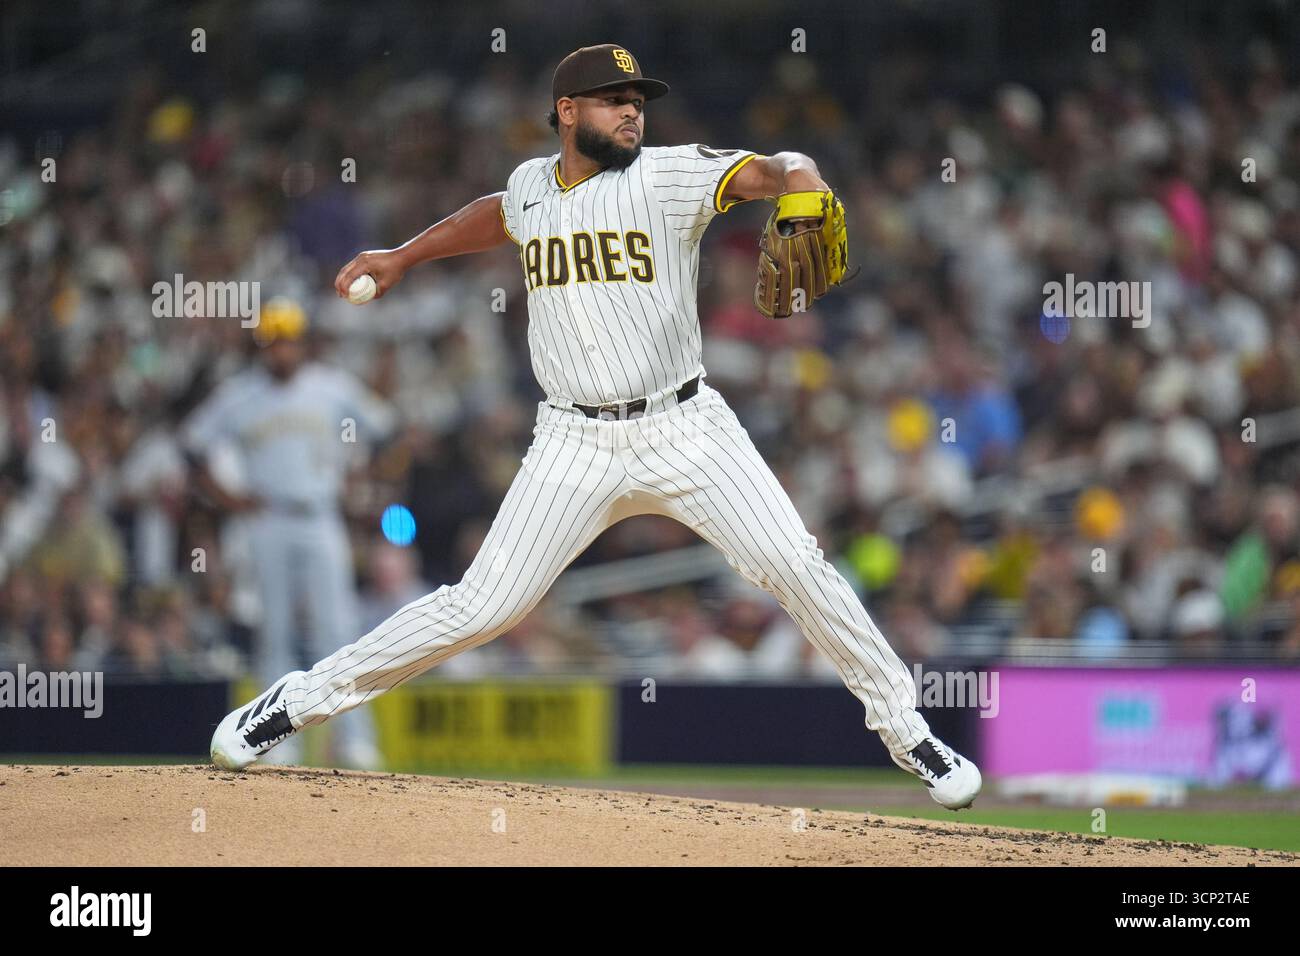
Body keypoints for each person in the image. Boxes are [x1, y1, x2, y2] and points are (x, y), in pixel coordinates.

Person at [210, 45, 982, 809]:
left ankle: (905, 728)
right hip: (571, 442)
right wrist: (406, 256)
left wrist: (801, 172)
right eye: (616, 100)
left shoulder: (668, 175)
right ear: (568, 112)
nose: (633, 112)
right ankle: (296, 701)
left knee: (797, 565)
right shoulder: (529, 188)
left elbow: (770, 169)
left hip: (685, 429)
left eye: (638, 101)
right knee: (480, 608)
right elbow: (496, 216)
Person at [187, 297, 395, 768]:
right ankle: (277, 741)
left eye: (288, 342)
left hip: (321, 515)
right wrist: (230, 498)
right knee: (275, 632)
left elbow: (385, 427)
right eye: (272, 343)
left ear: (302, 343)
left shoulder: (331, 387)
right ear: (262, 346)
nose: (281, 351)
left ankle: (355, 740)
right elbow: (193, 447)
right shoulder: (239, 395)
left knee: (338, 631)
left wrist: (361, 480)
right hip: (267, 519)